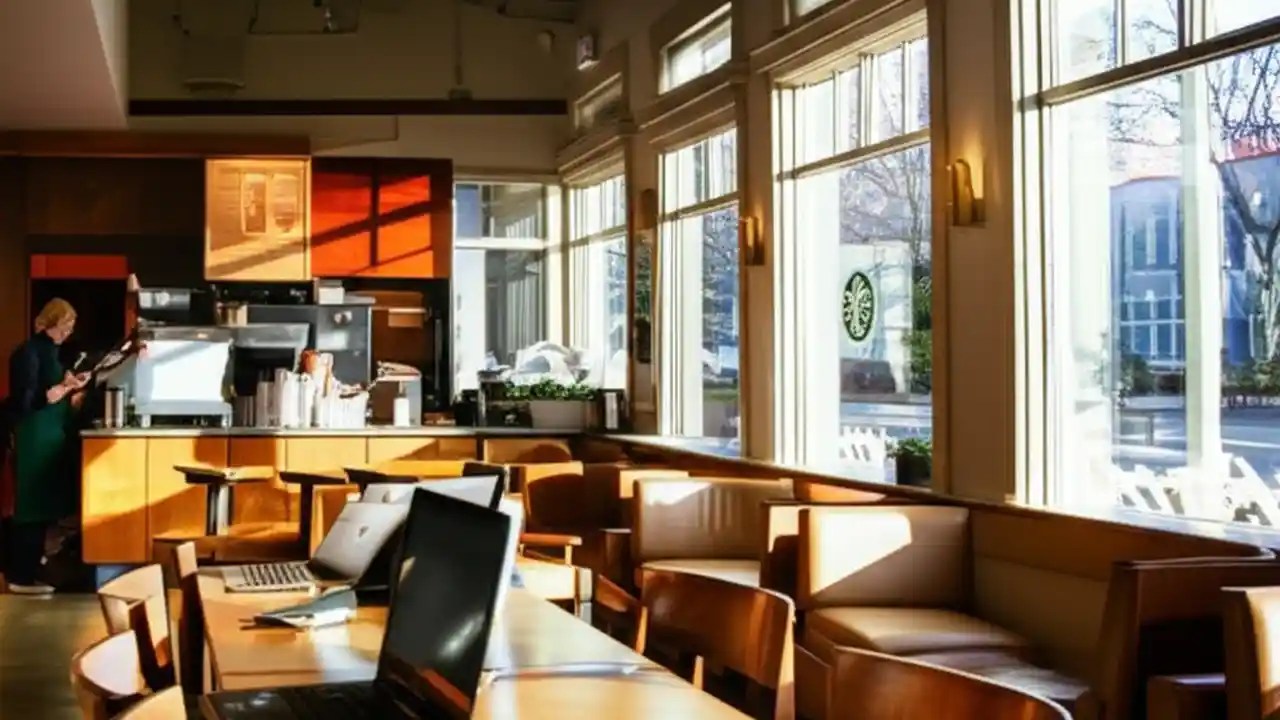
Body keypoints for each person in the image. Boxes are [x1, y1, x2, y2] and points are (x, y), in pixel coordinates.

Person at [4, 299, 88, 595]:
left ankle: (30, 569)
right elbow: (29, 401)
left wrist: (70, 383)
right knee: (31, 507)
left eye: (71, 327)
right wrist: (66, 388)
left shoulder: (48, 351)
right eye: (65, 325)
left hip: (48, 436)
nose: (67, 332)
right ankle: (20, 577)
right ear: (52, 322)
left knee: (42, 507)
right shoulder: (29, 352)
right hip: (34, 436)